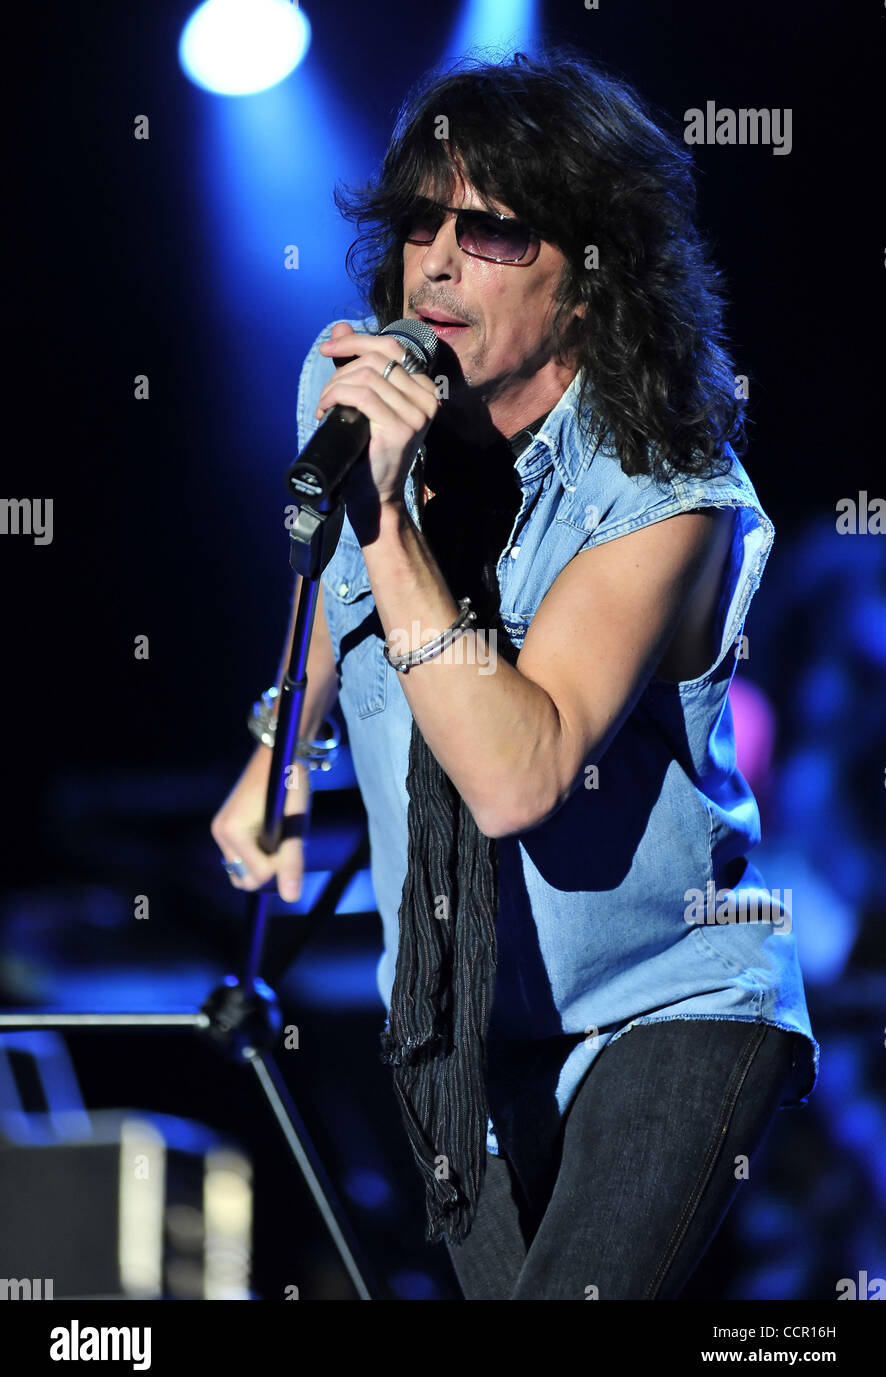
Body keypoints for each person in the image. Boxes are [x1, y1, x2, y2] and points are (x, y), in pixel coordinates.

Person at [212, 48, 818, 1300]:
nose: (434, 261)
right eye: (419, 222)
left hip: (664, 1002)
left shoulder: (665, 490)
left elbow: (518, 775)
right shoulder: (359, 401)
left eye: (489, 232)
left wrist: (388, 519)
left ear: (591, 278)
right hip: (451, 1027)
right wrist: (284, 743)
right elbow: (330, 597)